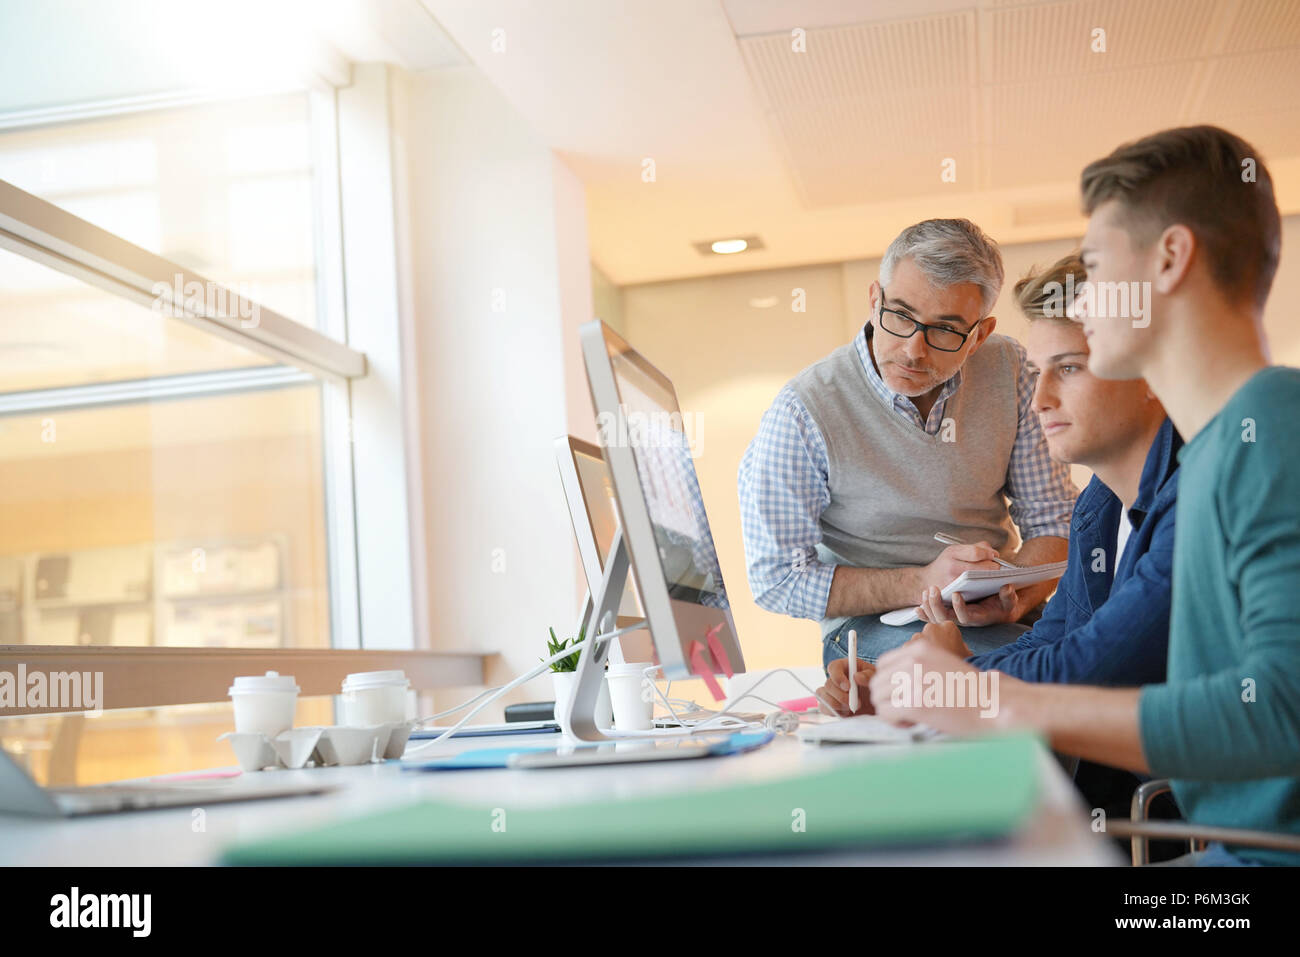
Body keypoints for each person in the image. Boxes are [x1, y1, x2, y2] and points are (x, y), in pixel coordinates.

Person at [870, 126, 1300, 866]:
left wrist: (985, 698)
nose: (1085, 296)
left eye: (1097, 267)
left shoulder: (1273, 429)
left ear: (1169, 259)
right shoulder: (1225, 446)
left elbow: (1282, 710)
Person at [819, 253, 1179, 764]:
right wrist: (902, 688)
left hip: (1156, 821)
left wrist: (955, 683)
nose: (1040, 400)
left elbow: (1095, 664)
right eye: (1038, 372)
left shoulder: (1192, 497)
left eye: (1069, 368)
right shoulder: (1099, 507)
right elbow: (1055, 639)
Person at [739, 219, 1075, 671]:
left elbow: (1053, 518)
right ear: (875, 300)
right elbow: (777, 579)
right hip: (873, 625)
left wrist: (1016, 599)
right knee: (1012, 671)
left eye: (945, 330)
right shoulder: (804, 411)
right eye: (900, 316)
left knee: (1091, 660)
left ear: (980, 334)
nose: (914, 350)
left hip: (1001, 613)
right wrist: (924, 582)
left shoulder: (1011, 368)